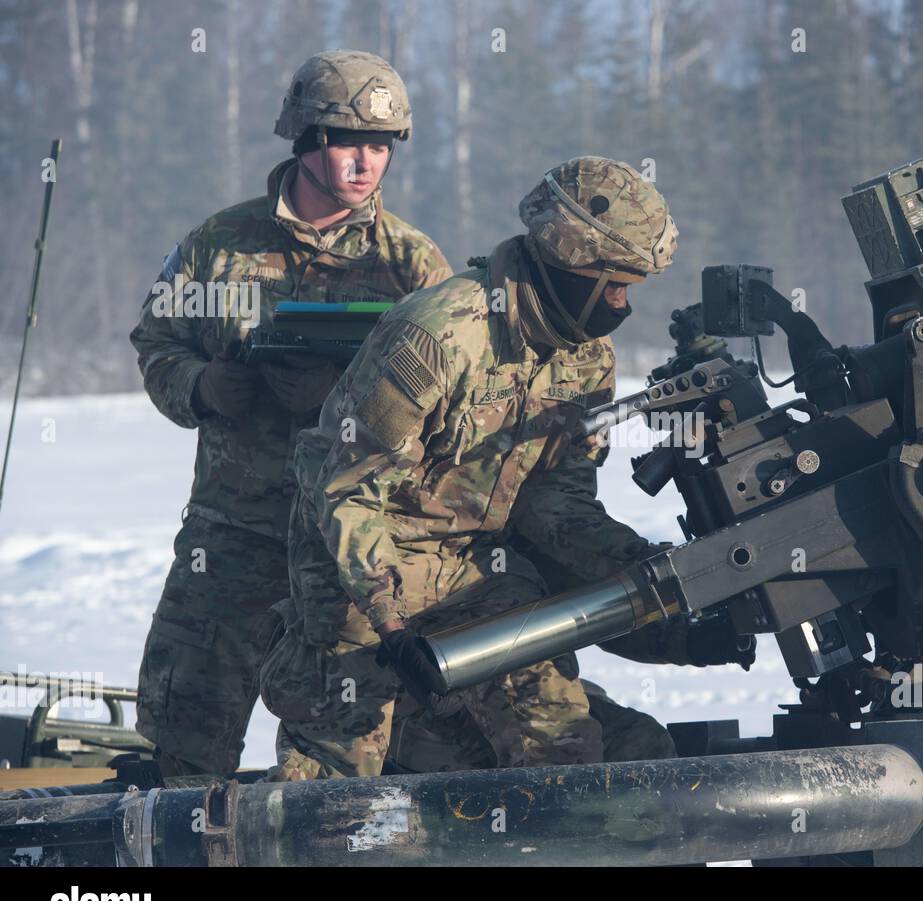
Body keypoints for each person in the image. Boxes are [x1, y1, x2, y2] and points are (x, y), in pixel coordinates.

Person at [260, 156, 752, 780]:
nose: (623, 306)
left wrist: (671, 602)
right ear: (573, 265)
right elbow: (346, 490)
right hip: (357, 579)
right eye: (617, 284)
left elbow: (558, 510)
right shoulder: (440, 335)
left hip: (478, 574)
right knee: (339, 785)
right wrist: (389, 622)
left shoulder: (585, 356)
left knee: (565, 751)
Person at [130, 50, 451, 777]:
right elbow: (157, 344)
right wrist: (208, 387)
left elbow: (452, 393)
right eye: (347, 141)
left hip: (348, 552)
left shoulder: (413, 264)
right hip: (233, 535)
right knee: (184, 744)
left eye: (380, 145)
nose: (366, 162)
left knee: (330, 772)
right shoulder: (219, 247)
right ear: (305, 141)